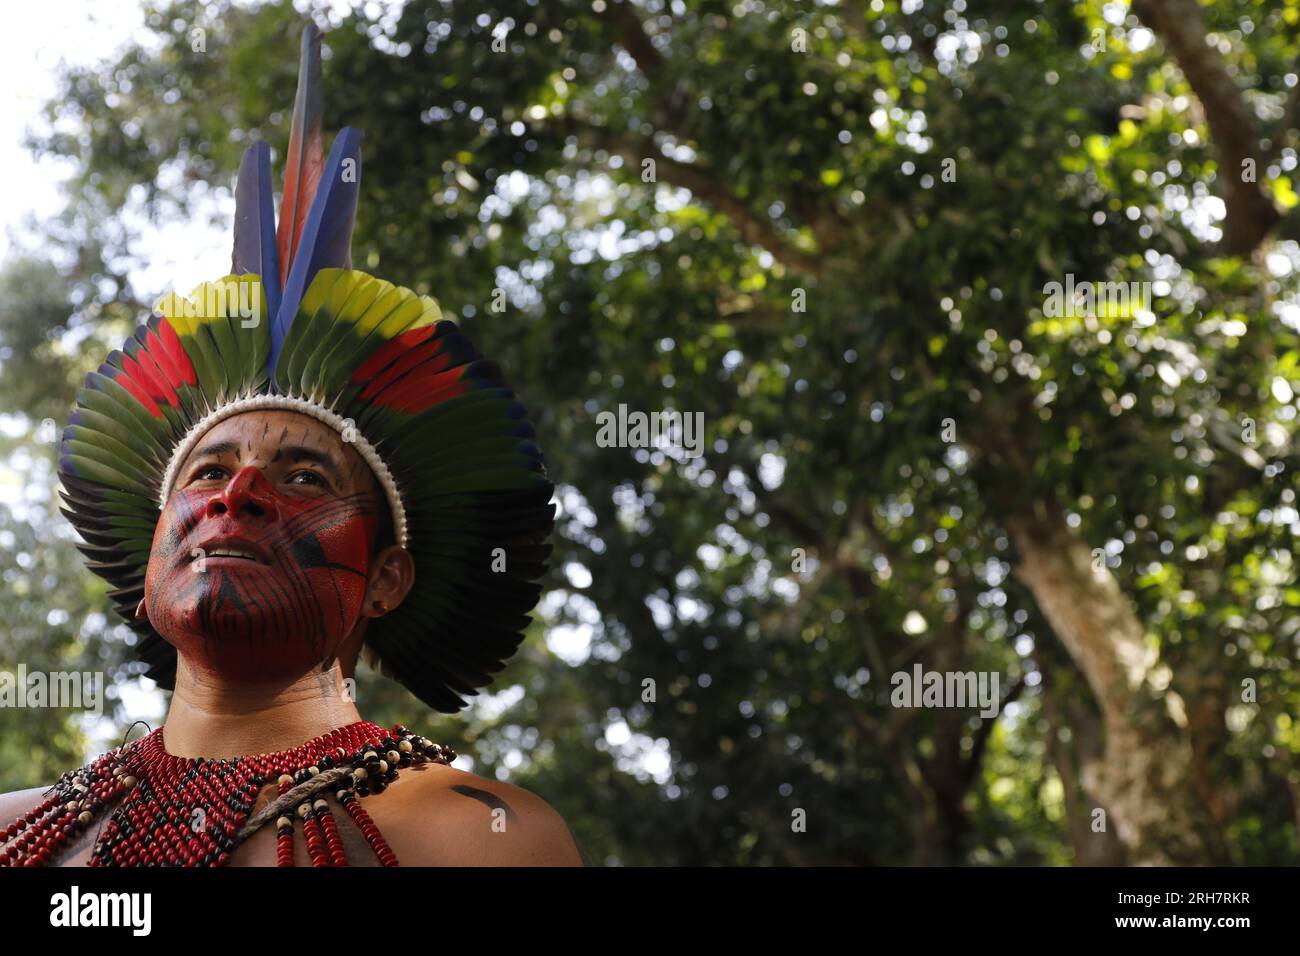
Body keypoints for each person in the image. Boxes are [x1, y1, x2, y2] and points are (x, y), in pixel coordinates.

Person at [0, 24, 585, 867]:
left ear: (386, 578)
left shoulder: (470, 835)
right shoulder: (19, 833)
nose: (234, 496)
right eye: (207, 471)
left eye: (305, 477)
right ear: (151, 560)